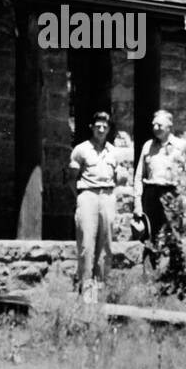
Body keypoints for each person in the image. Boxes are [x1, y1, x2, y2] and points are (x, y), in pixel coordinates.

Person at [66, 111, 123, 302]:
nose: (101, 129)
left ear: (109, 129)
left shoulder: (113, 151)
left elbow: (117, 177)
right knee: (86, 243)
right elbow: (71, 179)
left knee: (106, 244)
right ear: (91, 127)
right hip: (88, 195)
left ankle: (102, 286)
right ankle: (86, 287)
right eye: (97, 125)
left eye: (104, 126)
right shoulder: (81, 150)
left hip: (107, 195)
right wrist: (82, 197)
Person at [134, 110, 186, 283]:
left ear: (170, 126)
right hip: (151, 194)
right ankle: (149, 279)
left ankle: (176, 281)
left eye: (160, 125)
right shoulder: (148, 146)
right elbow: (138, 176)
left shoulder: (181, 146)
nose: (156, 128)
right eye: (154, 125)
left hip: (172, 193)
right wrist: (137, 202)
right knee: (150, 236)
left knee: (174, 236)